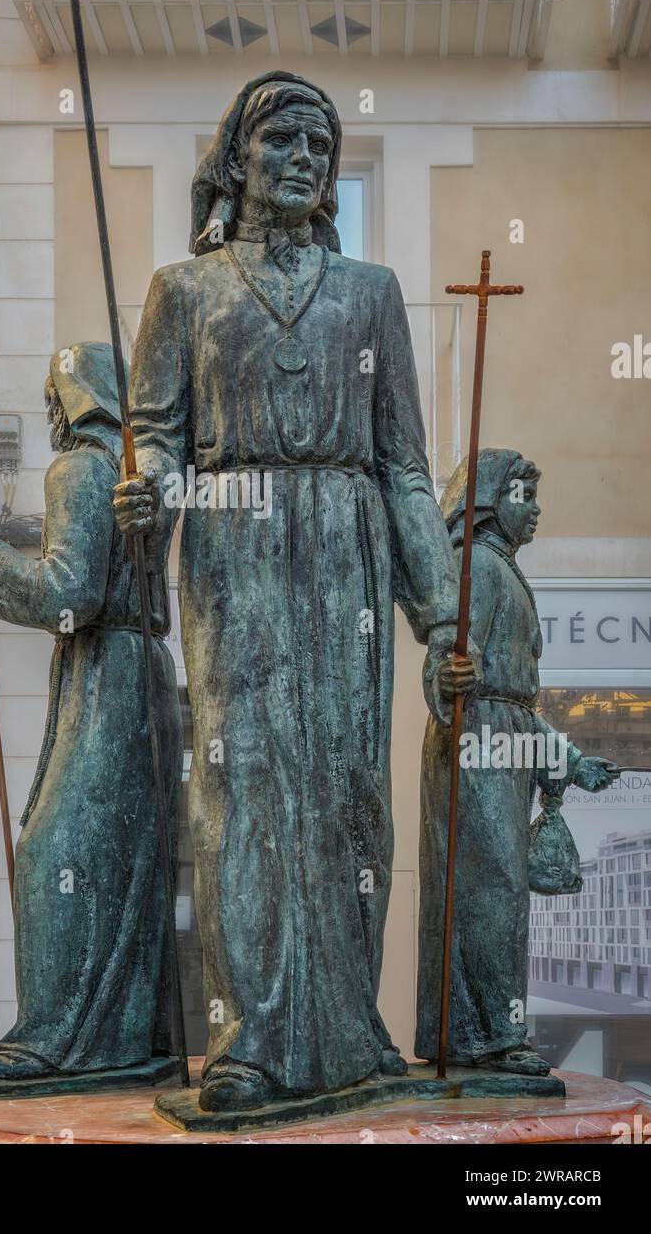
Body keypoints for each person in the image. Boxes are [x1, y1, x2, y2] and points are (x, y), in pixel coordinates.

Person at [114, 72, 475, 1112]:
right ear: (237, 158)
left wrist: (437, 613)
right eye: (282, 139)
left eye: (320, 144)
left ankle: (351, 1034)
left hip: (346, 544)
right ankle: (250, 1040)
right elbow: (160, 438)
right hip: (235, 550)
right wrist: (152, 490)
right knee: (242, 791)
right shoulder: (184, 292)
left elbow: (404, 465)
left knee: (350, 790)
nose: (305, 158)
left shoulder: (371, 292)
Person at [0, 342, 183, 1083]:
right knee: (127, 864)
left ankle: (53, 1039)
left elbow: (68, 596)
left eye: (52, 395)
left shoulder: (79, 469)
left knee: (51, 855)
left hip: (106, 674)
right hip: (142, 671)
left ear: (71, 399)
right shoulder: (138, 470)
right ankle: (123, 1039)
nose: (49, 409)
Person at [415, 449, 617, 1073]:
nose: (536, 510)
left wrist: (570, 761)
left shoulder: (499, 570)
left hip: (500, 733)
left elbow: (520, 705)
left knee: (496, 887)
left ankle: (482, 1033)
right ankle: (491, 1037)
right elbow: (448, 648)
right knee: (492, 886)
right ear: (488, 501)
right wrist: (448, 675)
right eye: (523, 495)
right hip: (475, 735)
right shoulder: (474, 565)